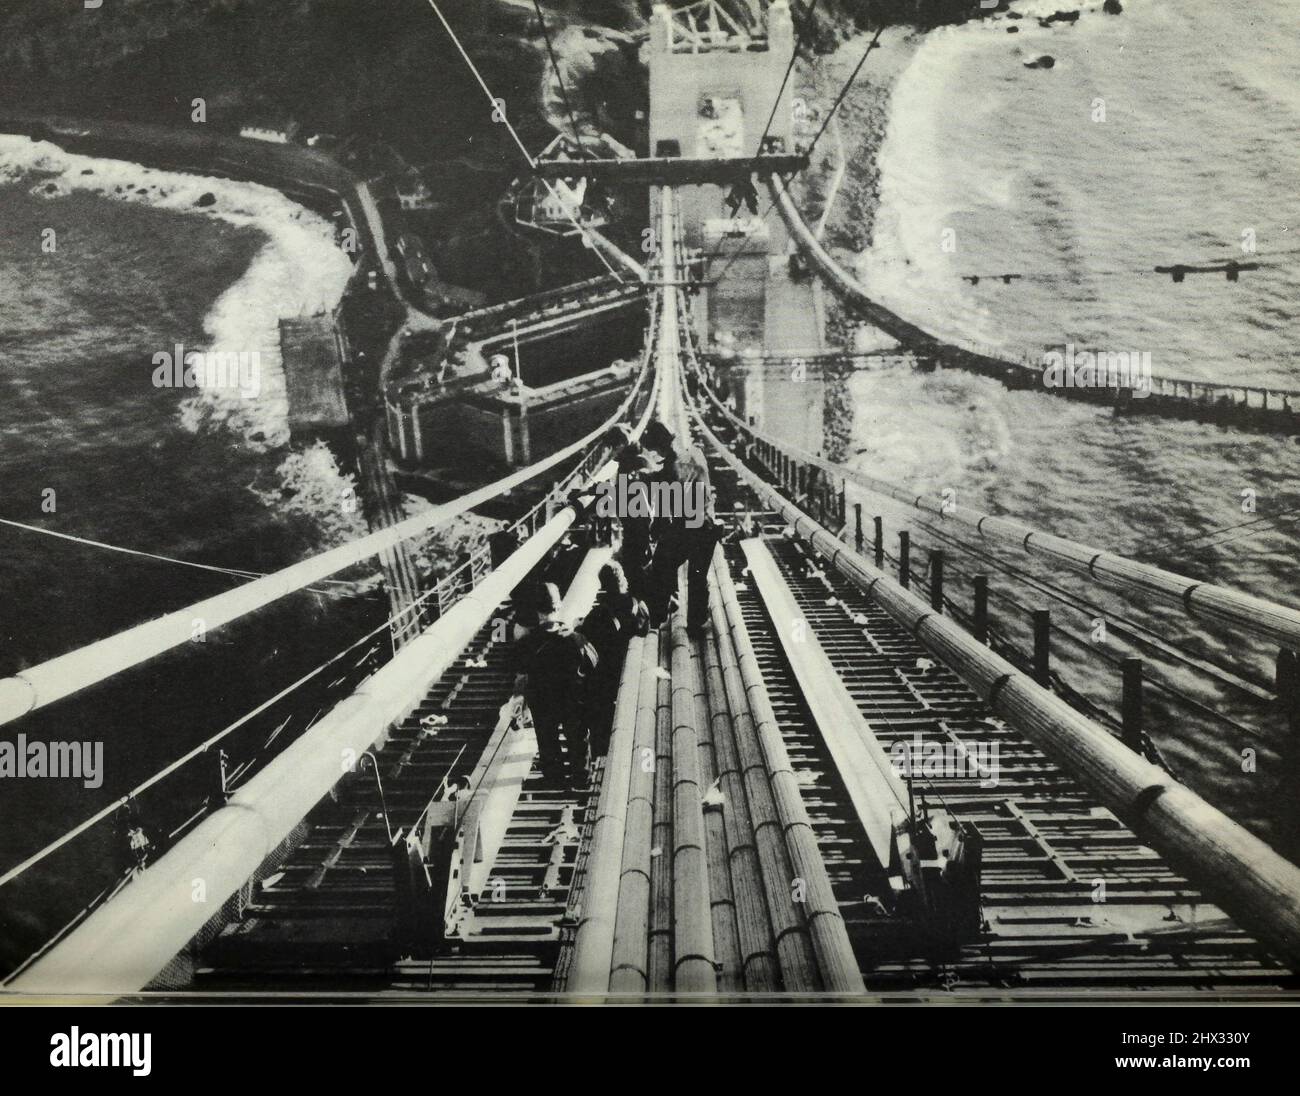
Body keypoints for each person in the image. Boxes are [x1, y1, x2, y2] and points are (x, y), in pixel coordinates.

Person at [510, 583, 598, 790]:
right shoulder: (575, 638)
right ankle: (581, 776)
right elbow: (593, 663)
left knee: (547, 737)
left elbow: (520, 674)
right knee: (577, 735)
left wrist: (519, 704)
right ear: (558, 608)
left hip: (542, 700)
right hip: (572, 698)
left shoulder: (528, 642)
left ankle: (554, 777)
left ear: (537, 612)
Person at [579, 562, 650, 757]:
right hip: (625, 669)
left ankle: (600, 752)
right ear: (623, 580)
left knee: (598, 711)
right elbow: (643, 627)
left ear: (603, 586)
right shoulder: (635, 605)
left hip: (603, 673)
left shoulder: (597, 614)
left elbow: (586, 639)